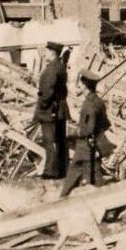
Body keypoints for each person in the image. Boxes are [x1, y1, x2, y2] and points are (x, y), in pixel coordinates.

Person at [61, 69, 113, 197]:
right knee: (75, 175)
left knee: (94, 179)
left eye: (80, 85)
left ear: (84, 86)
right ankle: (62, 199)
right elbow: (106, 124)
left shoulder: (88, 105)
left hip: (87, 147)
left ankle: (61, 201)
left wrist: (73, 132)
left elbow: (87, 130)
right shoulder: (99, 102)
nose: (78, 87)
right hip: (92, 146)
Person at [34, 41, 70, 178]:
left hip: (50, 111)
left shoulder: (51, 69)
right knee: (60, 140)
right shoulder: (60, 67)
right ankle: (62, 170)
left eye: (47, 52)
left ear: (52, 53)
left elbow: (47, 92)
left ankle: (51, 171)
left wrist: (43, 106)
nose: (44, 54)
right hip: (59, 109)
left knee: (50, 141)